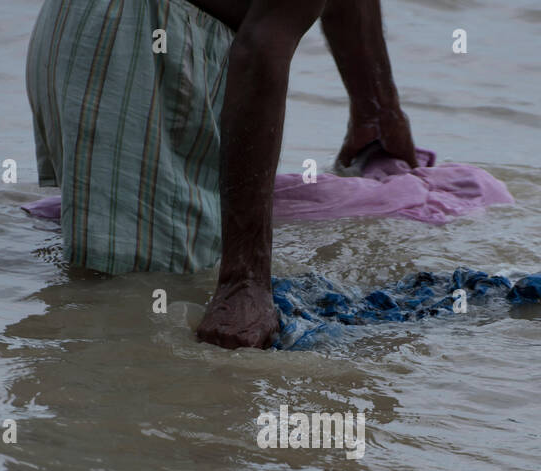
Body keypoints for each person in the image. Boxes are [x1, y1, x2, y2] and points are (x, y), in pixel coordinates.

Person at [26, 0, 417, 350]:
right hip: (144, 43)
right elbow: (261, 49)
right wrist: (243, 280)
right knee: (134, 313)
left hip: (101, 29)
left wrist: (378, 111)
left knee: (118, 281)